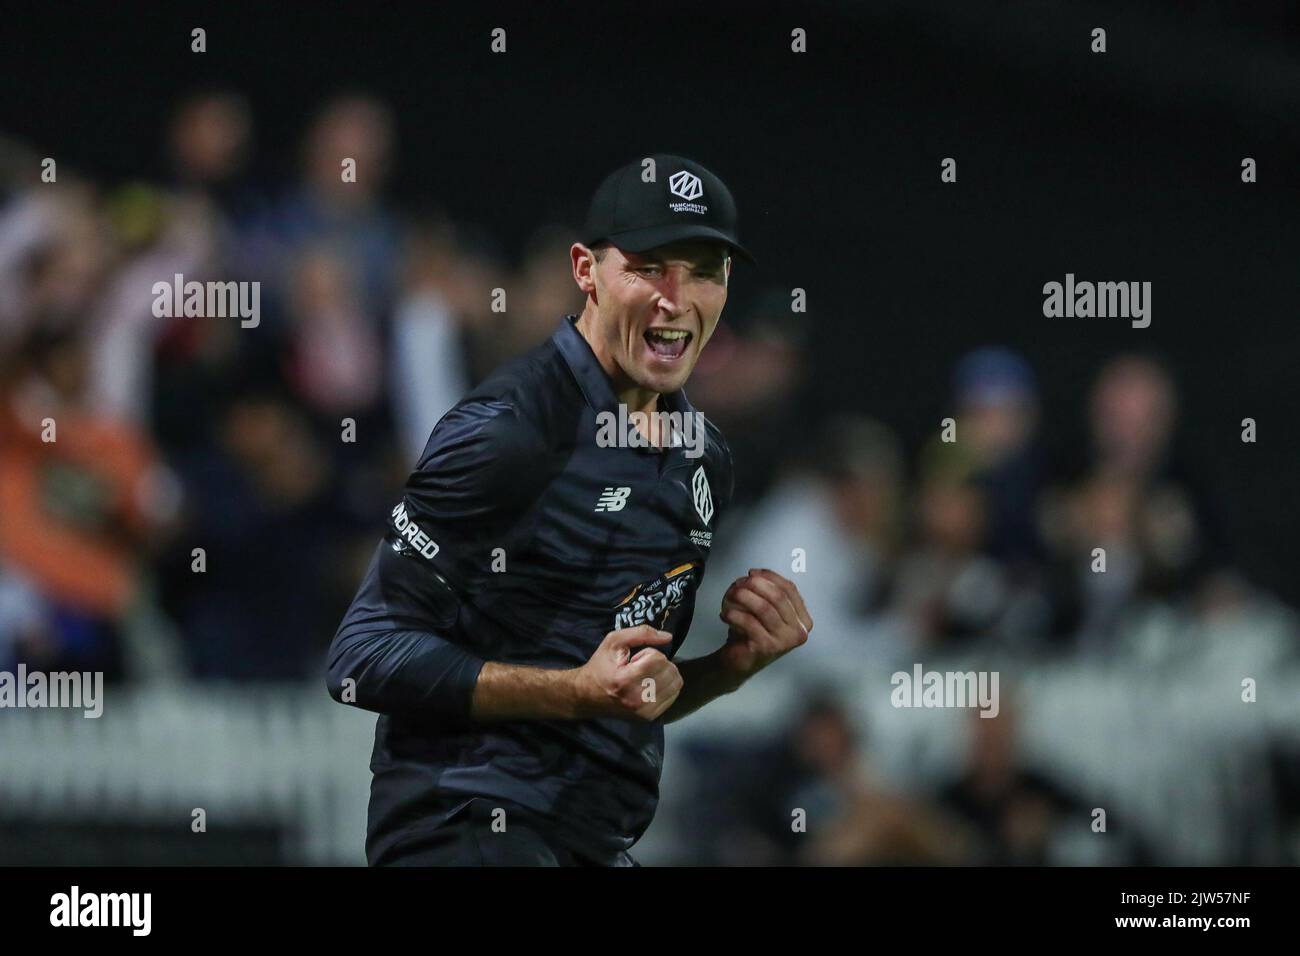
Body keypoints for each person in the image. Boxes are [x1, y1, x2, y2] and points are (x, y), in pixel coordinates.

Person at [327, 154, 813, 866]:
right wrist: (574, 691)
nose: (675, 297)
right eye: (649, 266)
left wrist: (730, 666)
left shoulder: (702, 458)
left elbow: (621, 697)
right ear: (586, 270)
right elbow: (360, 657)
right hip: (464, 822)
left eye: (704, 270)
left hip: (585, 839)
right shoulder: (511, 429)